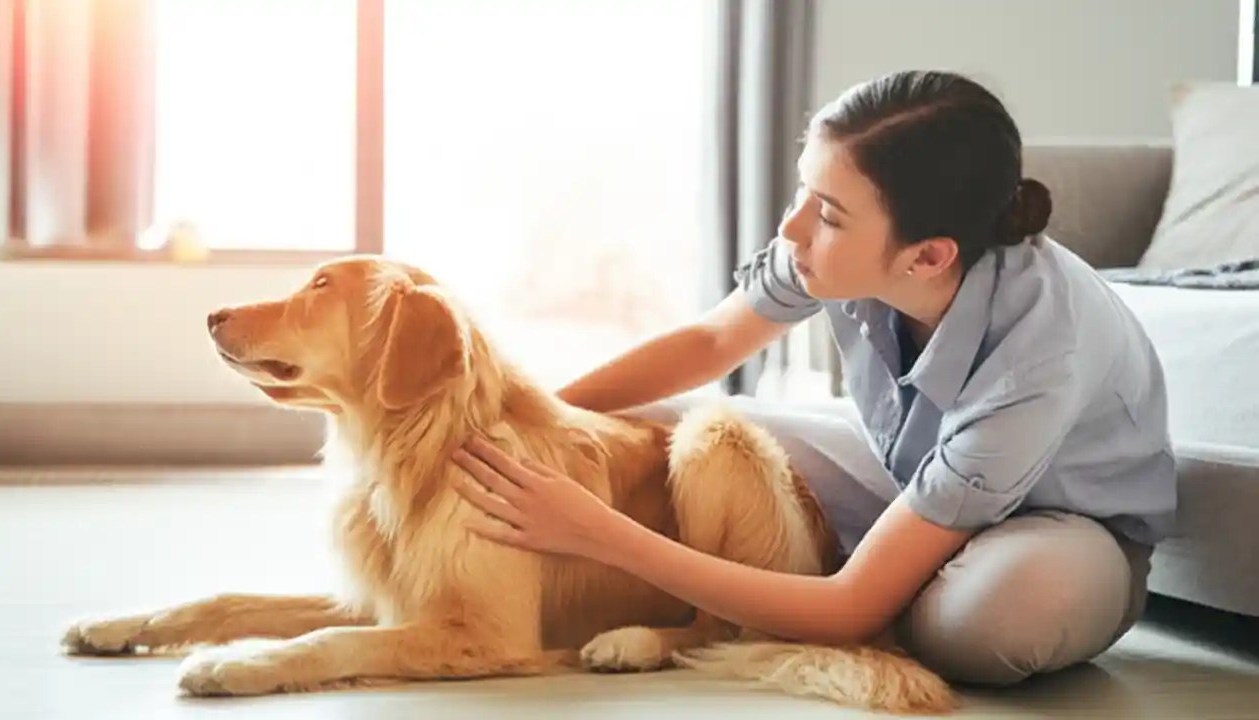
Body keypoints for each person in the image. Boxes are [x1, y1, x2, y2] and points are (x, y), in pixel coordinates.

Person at [451, 70, 1177, 686]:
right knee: (653, 428)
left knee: (980, 626)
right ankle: (821, 583)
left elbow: (851, 609)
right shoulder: (834, 246)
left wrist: (600, 535)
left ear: (926, 257)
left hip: (1064, 530)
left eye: (825, 213)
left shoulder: (1036, 356)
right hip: (912, 474)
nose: (793, 228)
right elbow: (712, 338)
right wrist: (534, 416)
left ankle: (844, 590)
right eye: (804, 192)